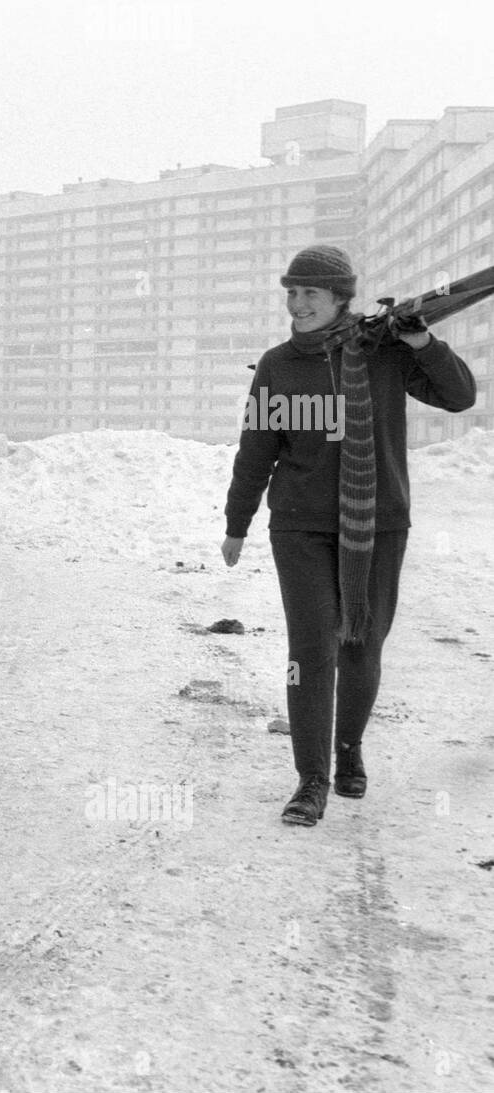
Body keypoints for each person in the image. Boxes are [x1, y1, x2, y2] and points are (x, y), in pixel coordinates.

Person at [222, 244, 475, 827]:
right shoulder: (278, 365)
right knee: (312, 650)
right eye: (291, 291)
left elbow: (459, 396)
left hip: (379, 520)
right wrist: (238, 521)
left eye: (310, 292)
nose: (297, 302)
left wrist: (422, 343)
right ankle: (311, 781)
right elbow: (256, 449)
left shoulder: (386, 352)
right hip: (301, 525)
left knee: (363, 644)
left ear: (341, 299)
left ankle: (348, 749)